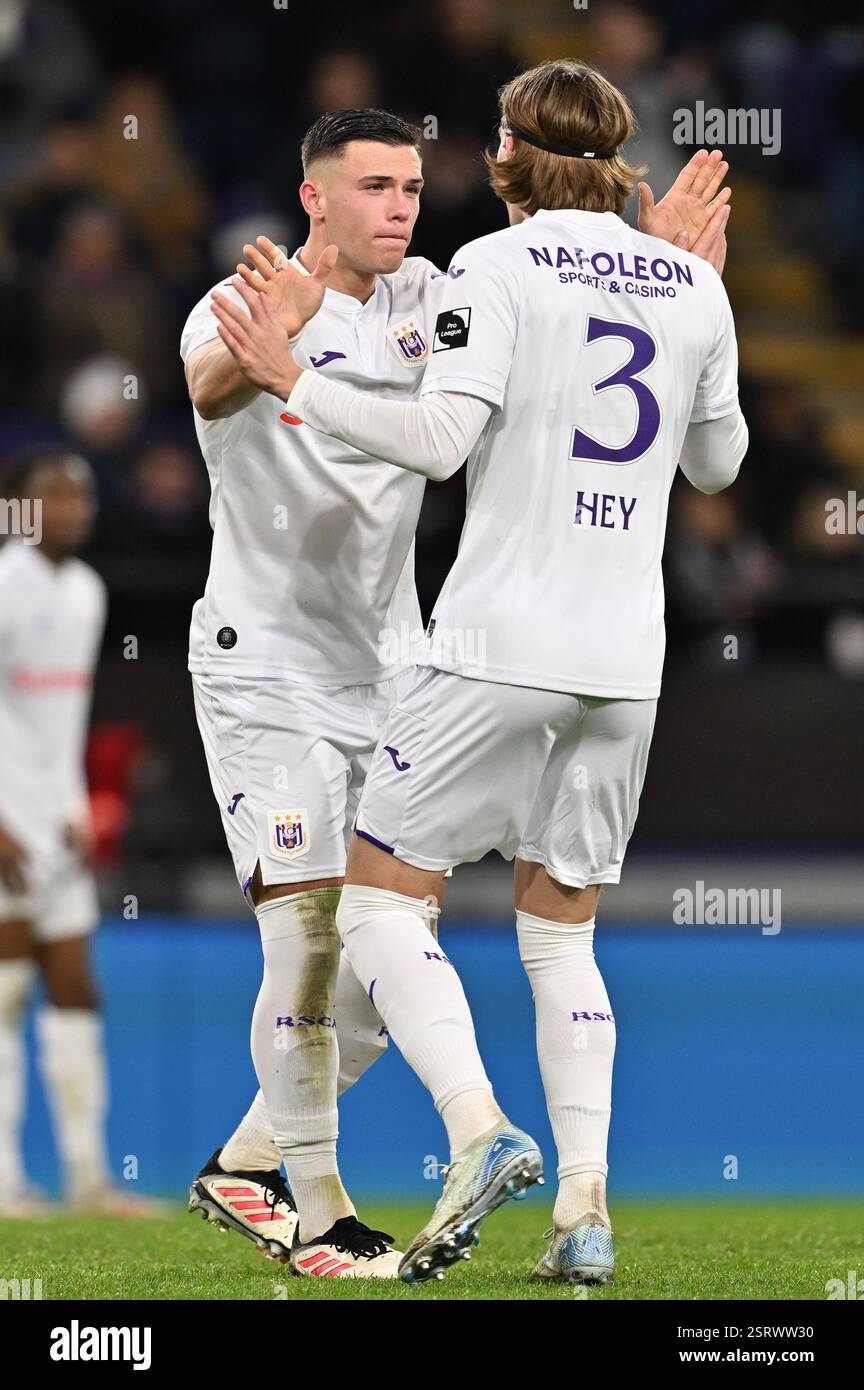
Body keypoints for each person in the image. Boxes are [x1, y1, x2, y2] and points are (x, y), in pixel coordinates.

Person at [210, 58, 744, 1285]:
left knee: (384, 900)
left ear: (506, 152)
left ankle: (479, 1126)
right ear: (616, 154)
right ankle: (587, 1214)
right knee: (563, 938)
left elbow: (443, 441)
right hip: (630, 667)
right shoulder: (691, 285)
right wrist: (687, 301)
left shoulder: (494, 270)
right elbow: (716, 466)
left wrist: (301, 377)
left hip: (498, 647)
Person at [0, 446, 147, 1215]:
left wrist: (77, 803)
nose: (71, 510)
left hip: (55, 824)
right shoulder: (3, 583)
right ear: (18, 504)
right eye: (53, 496)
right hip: (3, 825)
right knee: (6, 991)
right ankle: (4, 1185)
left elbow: (63, 719)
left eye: (81, 498)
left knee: (75, 988)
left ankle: (88, 1177)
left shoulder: (88, 592)